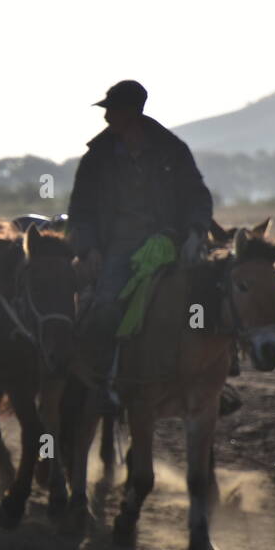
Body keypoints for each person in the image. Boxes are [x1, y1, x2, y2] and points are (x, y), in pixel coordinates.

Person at [66, 80, 226, 410]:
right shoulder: (98, 156)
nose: (106, 116)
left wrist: (196, 231)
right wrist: (88, 249)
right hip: (118, 245)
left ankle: (218, 383)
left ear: (131, 112)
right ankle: (105, 383)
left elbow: (197, 196)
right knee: (106, 307)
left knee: (215, 295)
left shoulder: (172, 150)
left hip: (171, 240)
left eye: (111, 110)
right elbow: (80, 209)